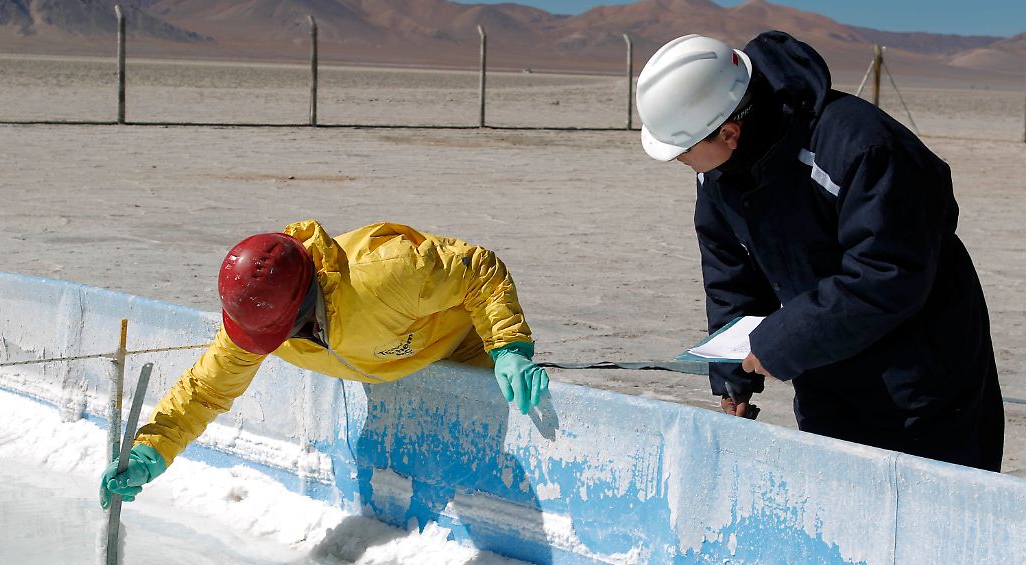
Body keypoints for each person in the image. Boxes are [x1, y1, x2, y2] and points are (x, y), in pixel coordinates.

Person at [635, 32, 1003, 471]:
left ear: (730, 132)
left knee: (937, 516)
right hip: (823, 369)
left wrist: (780, 342)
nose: (680, 162)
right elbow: (729, 271)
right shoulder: (717, 173)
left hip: (922, 381)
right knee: (842, 501)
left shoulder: (865, 149)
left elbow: (887, 276)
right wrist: (733, 375)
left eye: (682, 152)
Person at [100, 219, 550, 507]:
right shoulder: (259, 320)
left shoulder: (386, 273)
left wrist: (509, 346)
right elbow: (206, 390)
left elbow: (479, 271)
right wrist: (149, 452)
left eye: (279, 335)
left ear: (301, 309)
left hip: (463, 348)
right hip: (387, 357)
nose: (271, 345)